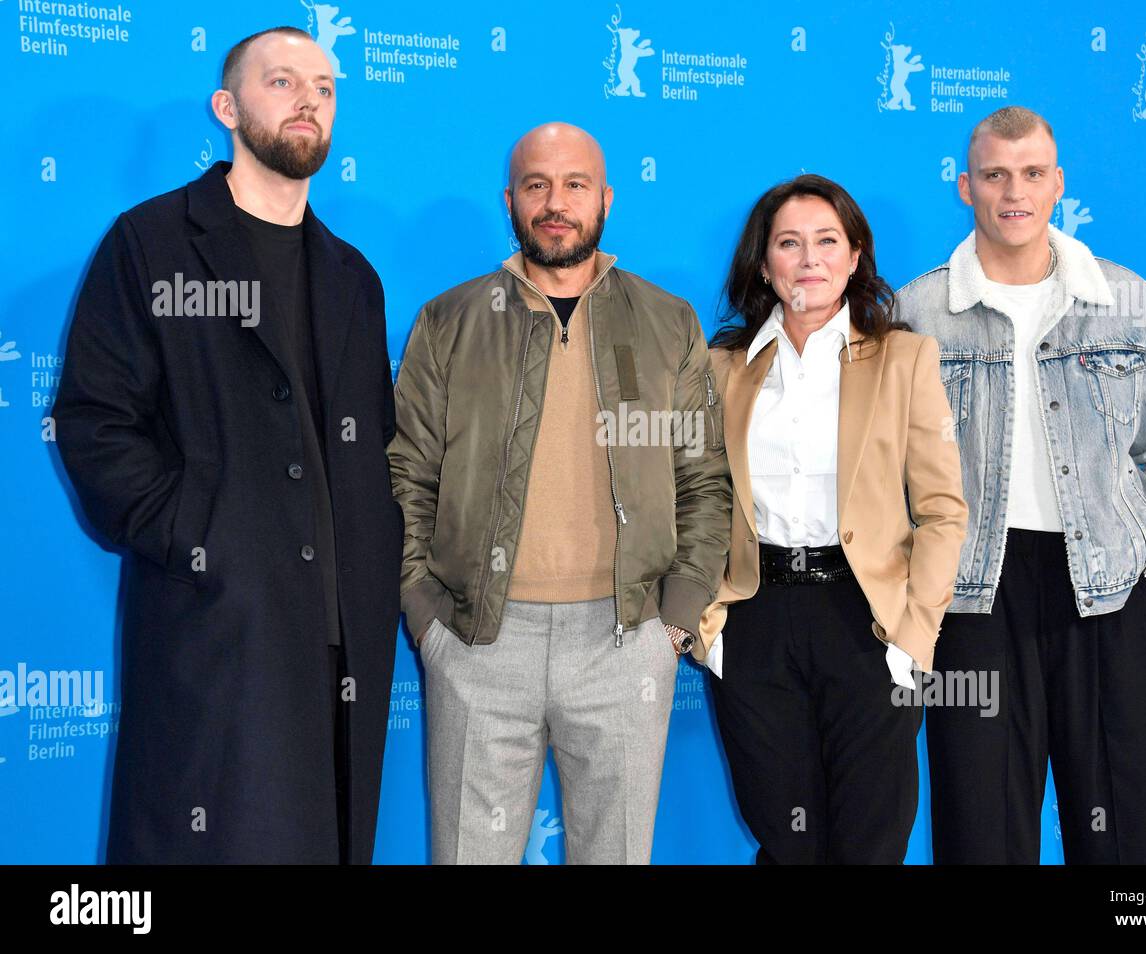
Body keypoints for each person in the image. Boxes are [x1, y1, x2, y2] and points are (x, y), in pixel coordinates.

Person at [52, 27, 402, 863]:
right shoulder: (151, 243)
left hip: (343, 641)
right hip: (219, 630)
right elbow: (95, 424)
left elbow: (373, 448)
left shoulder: (354, 276)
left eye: (323, 86)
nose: (308, 100)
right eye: (282, 82)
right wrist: (201, 535)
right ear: (227, 108)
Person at [387, 122, 731, 864]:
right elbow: (405, 474)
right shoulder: (449, 321)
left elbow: (704, 480)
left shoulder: (669, 322)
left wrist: (672, 626)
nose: (556, 202)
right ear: (510, 200)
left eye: (575, 185)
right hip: (479, 641)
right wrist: (428, 621)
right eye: (537, 185)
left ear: (604, 199)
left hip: (627, 639)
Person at [894, 106, 1146, 864]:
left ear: (1058, 183)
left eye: (1032, 173)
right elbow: (889, 474)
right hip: (972, 600)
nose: (1015, 192)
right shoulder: (918, 311)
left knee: (1132, 829)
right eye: (996, 175)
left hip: (1104, 591)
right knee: (981, 830)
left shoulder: (1128, 302)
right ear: (965, 186)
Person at [697, 174, 968, 863]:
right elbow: (688, 500)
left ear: (854, 258)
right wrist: (710, 630)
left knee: (870, 843)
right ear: (764, 264)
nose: (809, 259)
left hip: (867, 618)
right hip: (754, 620)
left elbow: (941, 509)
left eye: (827, 241)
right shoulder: (720, 367)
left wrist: (914, 635)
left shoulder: (904, 358)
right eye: (789, 243)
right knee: (786, 844)